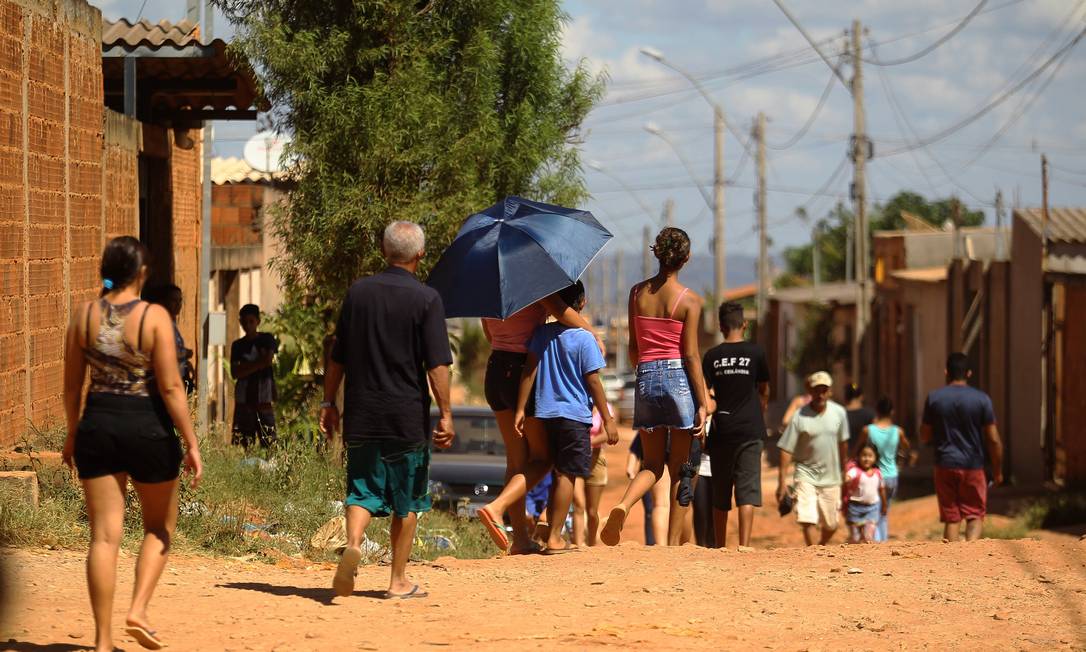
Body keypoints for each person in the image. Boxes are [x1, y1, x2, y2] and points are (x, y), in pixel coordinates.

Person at [61, 236, 203, 652]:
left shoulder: (83, 316)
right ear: (141, 273)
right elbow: (172, 386)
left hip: (98, 426)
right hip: (147, 428)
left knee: (104, 537)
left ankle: (103, 641)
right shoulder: (154, 316)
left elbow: (72, 388)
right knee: (158, 527)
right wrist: (191, 441)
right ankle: (138, 610)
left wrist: (72, 434)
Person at [319, 221, 455, 599]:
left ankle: (354, 542)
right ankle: (397, 581)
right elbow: (437, 365)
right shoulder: (427, 299)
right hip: (405, 418)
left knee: (361, 492)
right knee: (406, 500)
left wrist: (329, 403)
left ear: (384, 250)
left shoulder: (358, 293)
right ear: (420, 254)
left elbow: (337, 356)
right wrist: (446, 412)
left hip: (361, 415)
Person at [480, 281, 619, 554]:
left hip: (496, 368)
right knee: (544, 459)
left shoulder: (490, 288)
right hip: (523, 372)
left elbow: (488, 334)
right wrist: (594, 334)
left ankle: (520, 539)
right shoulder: (533, 283)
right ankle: (498, 507)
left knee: (515, 459)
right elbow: (562, 311)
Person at [601, 227, 708, 546]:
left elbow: (634, 347)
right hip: (678, 379)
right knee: (680, 470)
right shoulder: (689, 300)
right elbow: (690, 354)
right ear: (686, 258)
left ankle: (622, 504)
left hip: (645, 375)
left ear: (657, 254)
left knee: (651, 465)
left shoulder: (636, 293)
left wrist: (645, 372)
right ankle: (673, 544)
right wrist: (702, 401)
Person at [701, 301, 769, 550]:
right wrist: (760, 410)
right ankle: (744, 545)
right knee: (747, 490)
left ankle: (720, 546)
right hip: (750, 430)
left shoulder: (712, 357)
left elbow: (704, 395)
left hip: (722, 431)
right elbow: (764, 389)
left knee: (721, 492)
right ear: (745, 324)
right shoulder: (756, 353)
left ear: (720, 326)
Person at [919, 352, 1004, 542]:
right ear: (969, 373)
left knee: (952, 517)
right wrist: (998, 471)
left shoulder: (934, 398)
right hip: (973, 466)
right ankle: (971, 562)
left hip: (944, 464)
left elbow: (924, 435)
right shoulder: (982, 399)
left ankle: (952, 563)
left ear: (946, 372)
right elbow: (993, 439)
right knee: (974, 515)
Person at [776, 371, 849, 546]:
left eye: (824, 390)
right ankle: (812, 550)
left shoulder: (839, 413)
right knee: (806, 517)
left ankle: (820, 546)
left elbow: (843, 443)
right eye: (817, 390)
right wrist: (781, 482)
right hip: (805, 473)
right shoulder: (799, 416)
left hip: (831, 476)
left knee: (832, 524)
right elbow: (786, 449)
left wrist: (844, 468)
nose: (821, 394)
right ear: (811, 392)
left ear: (830, 392)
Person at [854, 397, 916, 542]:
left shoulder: (868, 430)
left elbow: (857, 449)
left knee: (874, 510)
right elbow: (907, 447)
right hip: (892, 476)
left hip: (874, 476)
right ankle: (882, 540)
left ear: (877, 411)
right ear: (892, 412)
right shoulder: (898, 431)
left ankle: (877, 541)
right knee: (884, 510)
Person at [230, 304, 278, 448]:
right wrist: (259, 363)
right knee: (245, 444)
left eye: (251, 321)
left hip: (264, 398)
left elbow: (268, 360)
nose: (248, 325)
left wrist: (246, 367)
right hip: (244, 400)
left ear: (258, 321)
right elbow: (235, 372)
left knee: (269, 443)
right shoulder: (237, 345)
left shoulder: (267, 339)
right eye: (244, 322)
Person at [572, 403, 612, 546]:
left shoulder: (604, 408)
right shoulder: (576, 402)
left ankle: (591, 544)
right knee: (578, 504)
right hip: (575, 457)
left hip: (596, 460)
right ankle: (578, 544)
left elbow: (607, 434)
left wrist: (585, 442)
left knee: (592, 511)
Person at [143, 284, 194, 395]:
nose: (178, 305)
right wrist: (185, 353)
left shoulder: (172, 323)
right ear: (163, 301)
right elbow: (166, 352)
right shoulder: (160, 323)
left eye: (180, 301)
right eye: (173, 300)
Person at [626, 434, 668, 545]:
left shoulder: (647, 428)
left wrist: (630, 468)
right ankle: (656, 543)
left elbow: (634, 450)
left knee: (652, 510)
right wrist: (630, 467)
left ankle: (653, 544)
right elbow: (635, 449)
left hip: (645, 474)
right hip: (659, 474)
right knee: (660, 508)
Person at [843, 442, 887, 544]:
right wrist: (845, 477)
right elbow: (847, 478)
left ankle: (867, 558)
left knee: (868, 538)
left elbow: (882, 489)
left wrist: (884, 505)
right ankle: (853, 556)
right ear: (858, 457)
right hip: (854, 508)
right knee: (855, 538)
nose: (867, 459)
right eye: (864, 455)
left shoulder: (878, 473)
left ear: (875, 457)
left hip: (872, 508)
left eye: (870, 456)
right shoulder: (855, 471)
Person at [844, 384, 875, 455]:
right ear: (861, 397)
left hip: (844, 458)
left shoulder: (839, 414)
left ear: (845, 397)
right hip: (865, 459)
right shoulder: (870, 414)